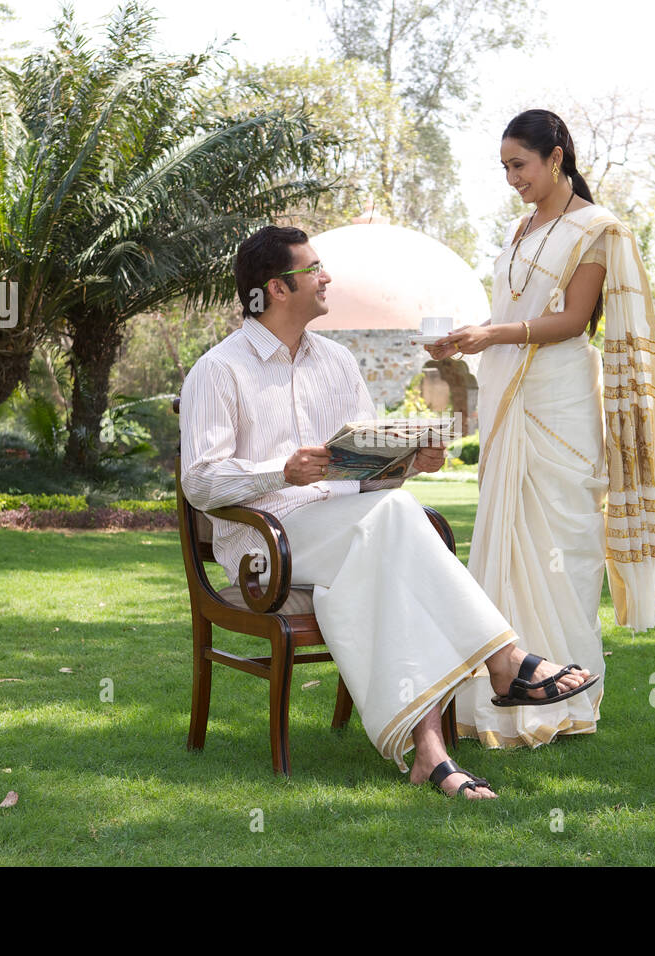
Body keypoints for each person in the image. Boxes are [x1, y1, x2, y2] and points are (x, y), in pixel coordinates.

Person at [178, 225, 602, 799]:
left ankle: (430, 754)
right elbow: (200, 481)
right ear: (276, 288)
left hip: (351, 532)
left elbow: (365, 465)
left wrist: (409, 462)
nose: (326, 277)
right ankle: (506, 661)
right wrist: (282, 471)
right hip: (267, 546)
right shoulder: (218, 370)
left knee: (389, 534)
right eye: (313, 270)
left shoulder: (337, 362)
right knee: (395, 521)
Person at [426, 109, 655, 750]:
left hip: (559, 402)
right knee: (506, 542)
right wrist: (467, 338)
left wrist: (490, 334)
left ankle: (568, 701)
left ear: (555, 156)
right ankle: (504, 696)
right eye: (504, 167)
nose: (511, 178)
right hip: (512, 392)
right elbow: (516, 311)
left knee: (563, 546)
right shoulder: (523, 226)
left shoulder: (596, 229)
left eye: (520, 165)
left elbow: (571, 321)